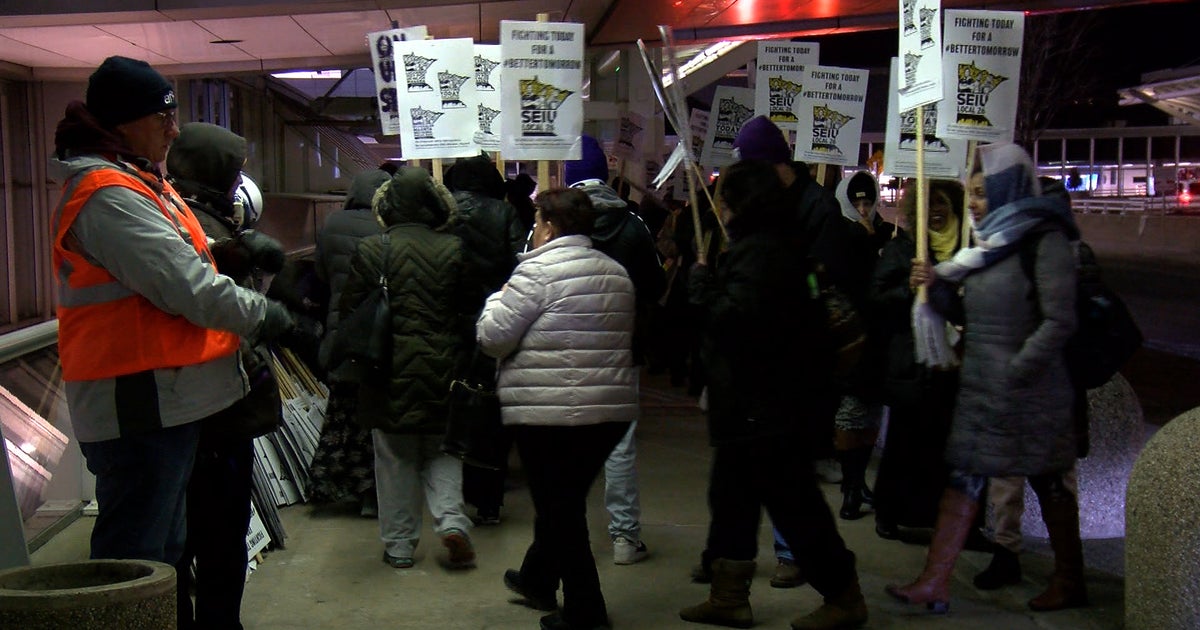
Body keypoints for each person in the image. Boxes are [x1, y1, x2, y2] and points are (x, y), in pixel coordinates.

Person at [50, 55, 293, 623]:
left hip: (164, 400)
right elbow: (185, 287)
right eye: (162, 116)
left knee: (163, 552)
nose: (173, 129)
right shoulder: (107, 193)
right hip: (136, 402)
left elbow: (179, 263)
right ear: (124, 121)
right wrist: (265, 316)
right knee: (136, 562)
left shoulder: (137, 179)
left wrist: (228, 254)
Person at [888, 143, 1087, 613]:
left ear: (1007, 188)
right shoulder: (985, 247)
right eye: (971, 193)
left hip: (1031, 394)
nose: (973, 203)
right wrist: (935, 289)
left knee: (1048, 482)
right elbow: (969, 316)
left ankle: (1070, 579)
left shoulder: (1044, 241)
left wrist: (1017, 370)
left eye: (981, 192)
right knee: (964, 480)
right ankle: (934, 581)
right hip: (983, 390)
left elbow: (1059, 321)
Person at [680, 159, 867, 630]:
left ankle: (843, 596)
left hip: (763, 408)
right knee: (733, 502)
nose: (721, 209)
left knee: (795, 506)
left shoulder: (759, 252)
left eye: (726, 200)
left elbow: (735, 322)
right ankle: (728, 596)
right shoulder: (780, 243)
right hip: (766, 406)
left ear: (743, 204)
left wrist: (700, 286)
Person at [477, 187, 637, 630]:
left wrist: (497, 298)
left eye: (536, 221)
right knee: (562, 500)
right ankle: (537, 578)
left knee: (560, 511)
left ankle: (587, 611)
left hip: (548, 412)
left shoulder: (535, 272)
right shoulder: (616, 273)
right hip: (609, 412)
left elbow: (493, 338)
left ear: (548, 227)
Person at [165, 122, 287, 630]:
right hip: (207, 402)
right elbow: (209, 301)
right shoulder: (188, 223)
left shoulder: (187, 213)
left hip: (209, 399)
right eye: (233, 170)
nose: (239, 182)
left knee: (201, 536)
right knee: (213, 534)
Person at [337, 166, 476, 570]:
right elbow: (470, 310)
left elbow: (351, 310)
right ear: (435, 205)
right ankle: (452, 522)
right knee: (443, 451)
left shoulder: (372, 249)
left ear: (389, 206)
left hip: (386, 371)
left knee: (394, 459)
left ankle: (399, 545)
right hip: (443, 368)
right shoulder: (454, 248)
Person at [564, 135, 666, 565]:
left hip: (566, 350)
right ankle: (624, 538)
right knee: (619, 445)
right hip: (621, 348)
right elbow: (655, 286)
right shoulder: (633, 224)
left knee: (567, 447)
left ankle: (566, 539)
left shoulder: (555, 223)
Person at [869, 179, 965, 540]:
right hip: (912, 362)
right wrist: (907, 288)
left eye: (942, 204)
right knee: (903, 442)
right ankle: (888, 512)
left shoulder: (967, 251)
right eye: (929, 204)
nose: (935, 211)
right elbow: (875, 299)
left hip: (953, 364)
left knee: (942, 446)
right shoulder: (903, 249)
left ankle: (931, 515)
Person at [445, 154, 527, 525]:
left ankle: (452, 491)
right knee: (490, 407)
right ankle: (488, 498)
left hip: (451, 319)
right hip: (495, 316)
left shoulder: (443, 211)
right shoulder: (504, 212)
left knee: (454, 404)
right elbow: (520, 264)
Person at [308, 167, 390, 515]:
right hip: (378, 331)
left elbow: (320, 274)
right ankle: (376, 492)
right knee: (375, 416)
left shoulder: (332, 225)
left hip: (341, 330)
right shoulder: (387, 227)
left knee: (344, 413)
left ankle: (339, 486)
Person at [828, 170, 894, 521]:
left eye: (868, 202)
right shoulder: (839, 235)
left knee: (871, 414)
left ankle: (859, 481)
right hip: (851, 337)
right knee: (849, 413)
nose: (863, 209)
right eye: (857, 203)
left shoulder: (887, 233)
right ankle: (850, 485)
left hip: (878, 335)